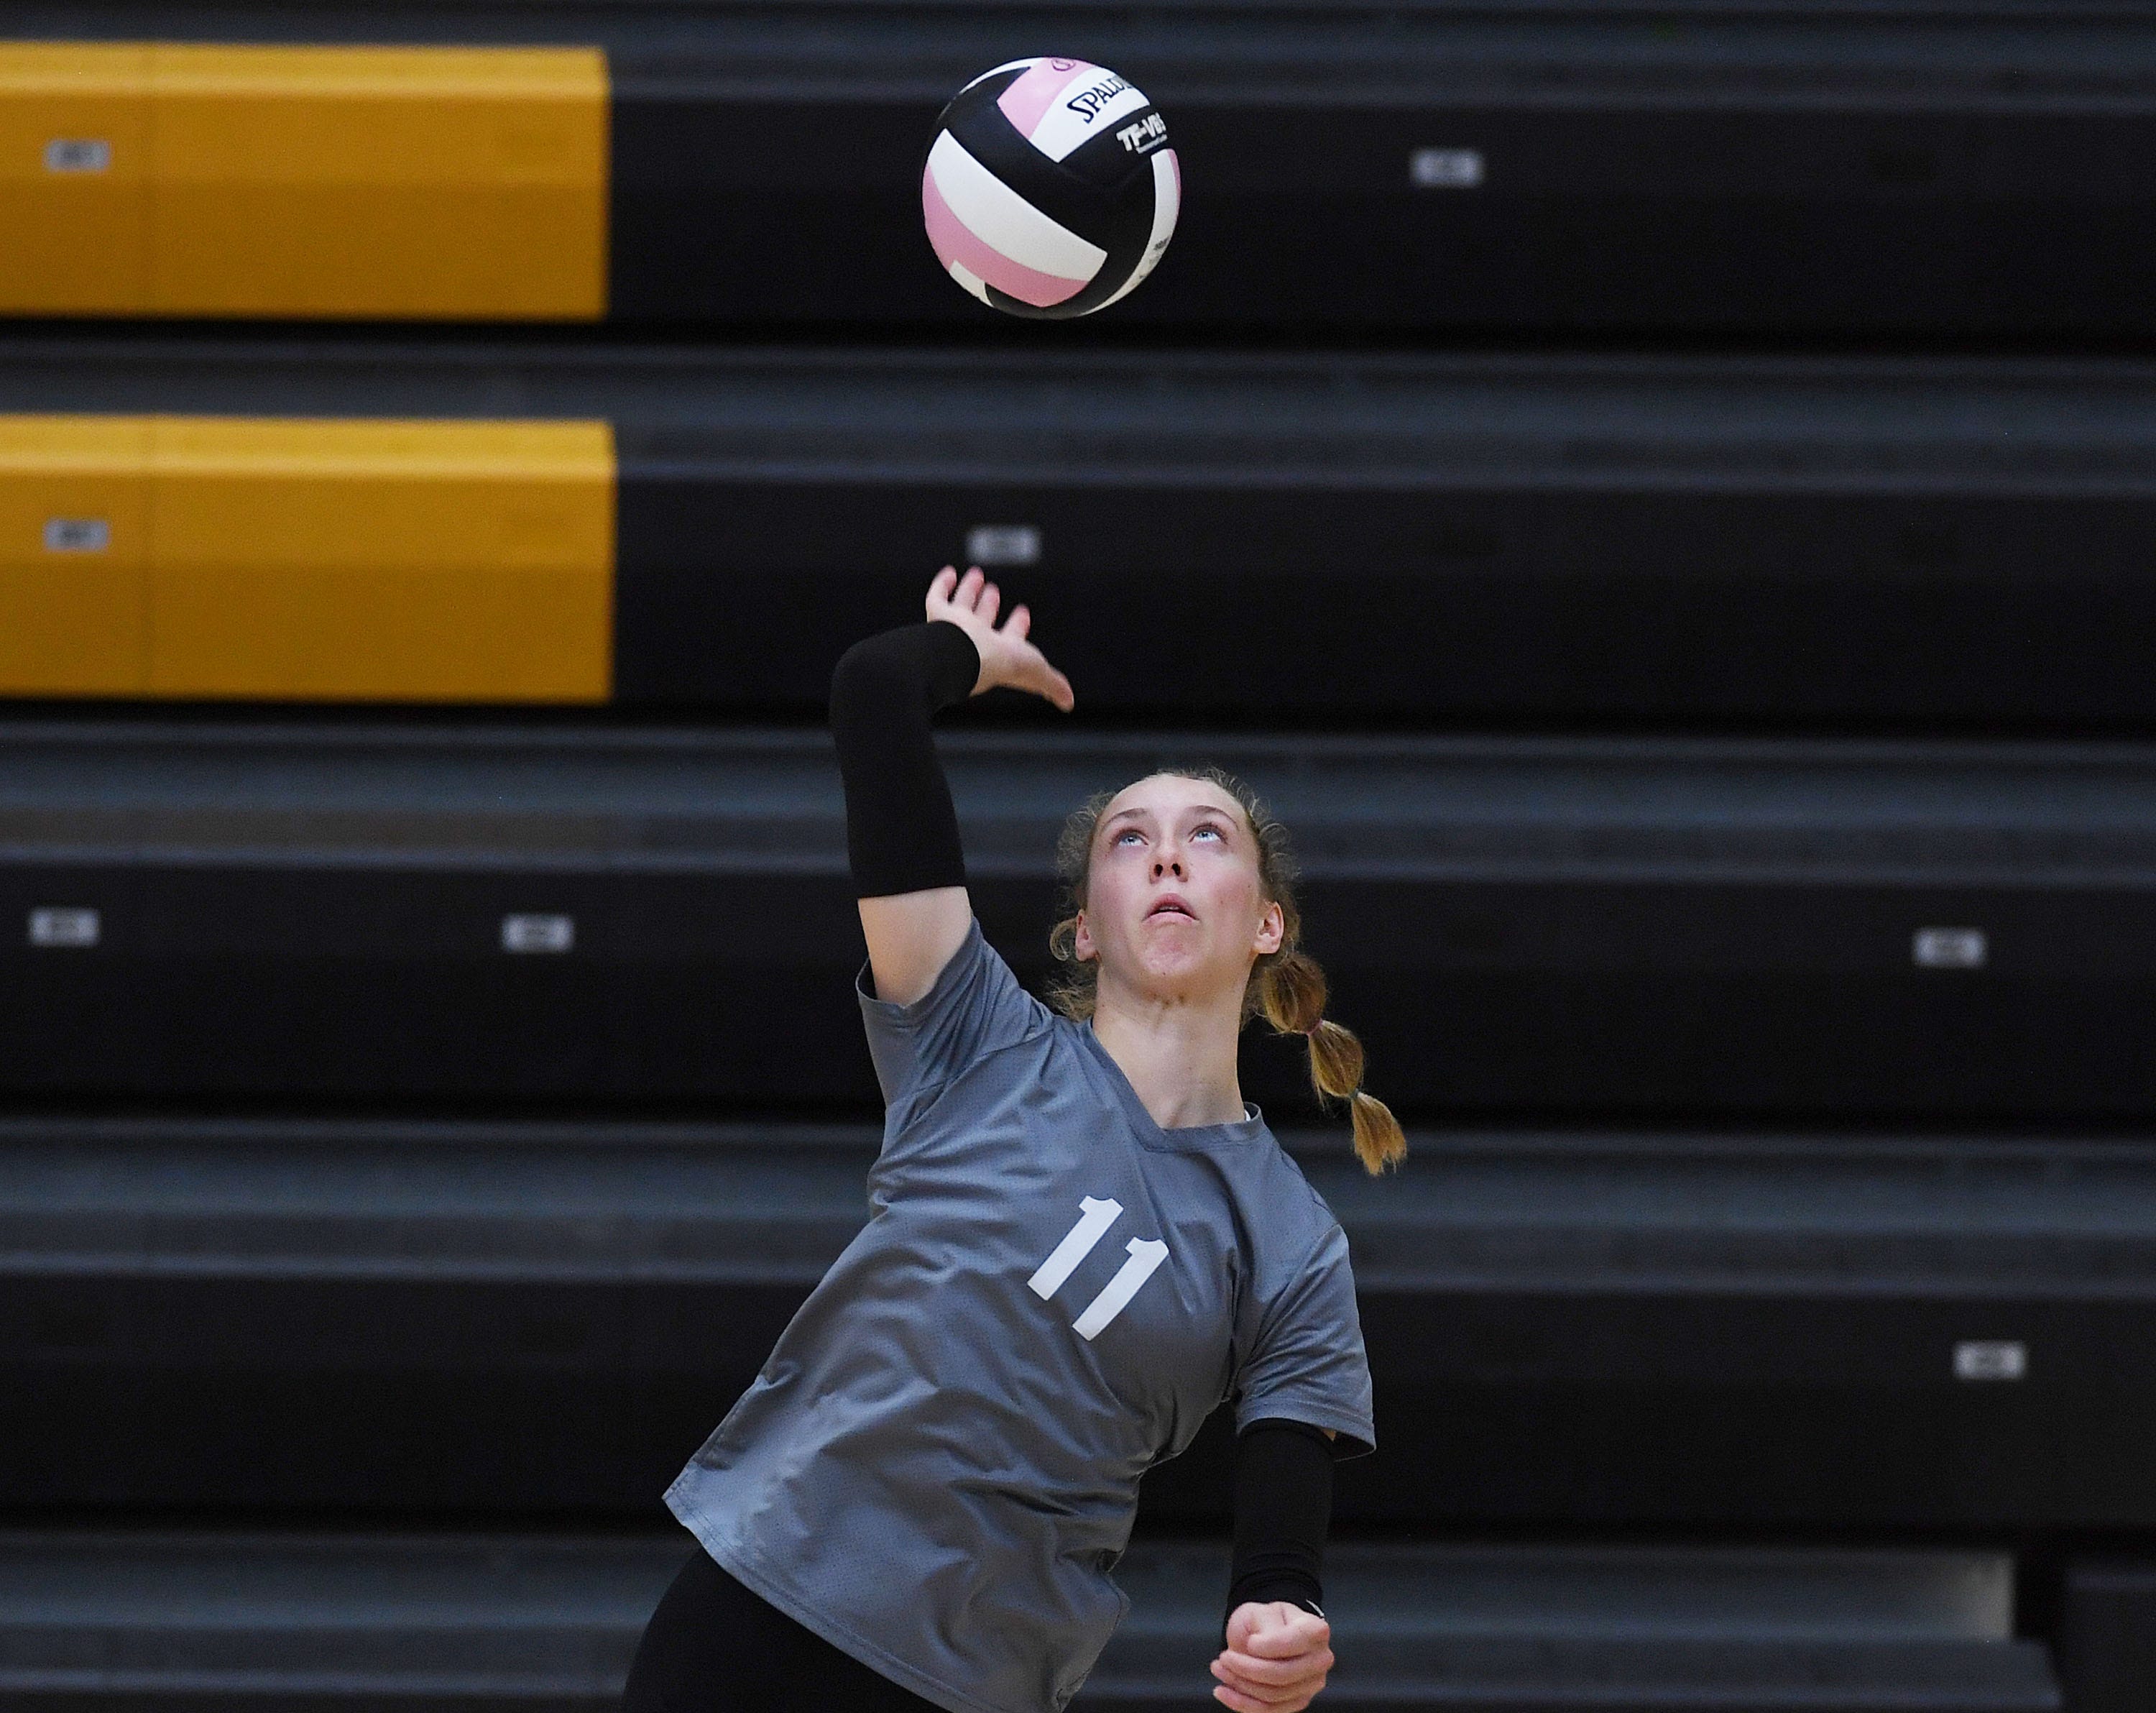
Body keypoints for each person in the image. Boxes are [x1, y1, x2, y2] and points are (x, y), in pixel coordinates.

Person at [625, 567, 1406, 1713]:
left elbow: (1283, 1532)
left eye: (1207, 836)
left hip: (966, 1689)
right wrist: (969, 656)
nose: (1171, 856)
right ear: (1088, 929)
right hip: (759, 1609)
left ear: (1269, 921)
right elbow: (871, 691)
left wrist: (1283, 1625)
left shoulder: (1293, 1243)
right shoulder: (973, 1037)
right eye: (1131, 840)